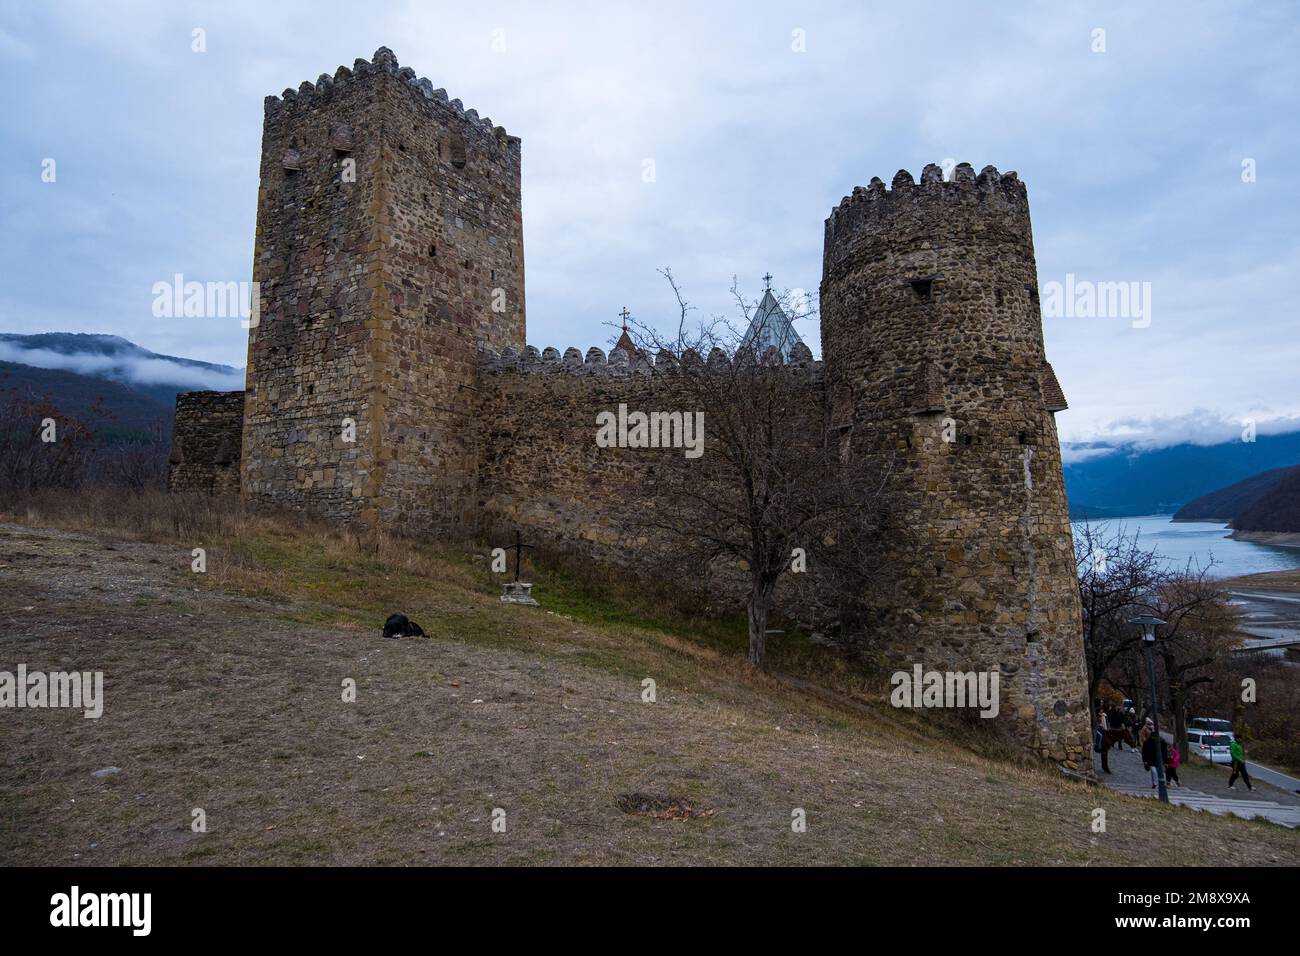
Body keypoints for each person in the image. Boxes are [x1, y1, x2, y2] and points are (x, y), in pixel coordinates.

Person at [1140, 722, 1166, 790]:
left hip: (1158, 759)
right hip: (1150, 759)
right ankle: (1154, 783)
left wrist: (1165, 760)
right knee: (1153, 771)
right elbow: (1144, 752)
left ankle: (1159, 782)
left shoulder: (1162, 741)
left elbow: (1164, 751)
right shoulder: (1147, 742)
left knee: (1158, 772)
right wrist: (1145, 760)